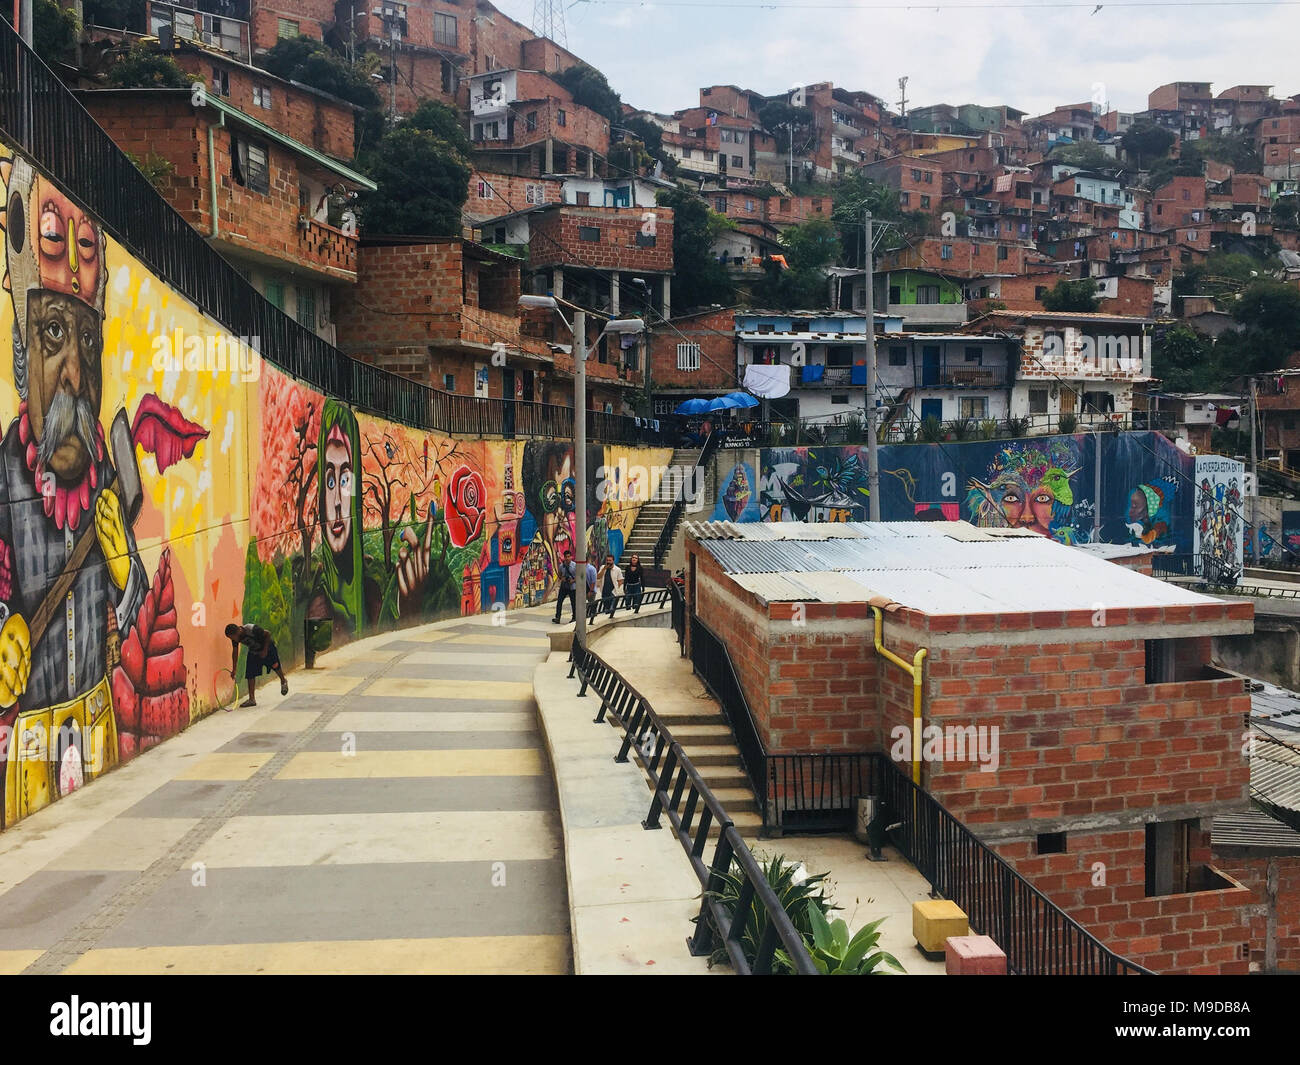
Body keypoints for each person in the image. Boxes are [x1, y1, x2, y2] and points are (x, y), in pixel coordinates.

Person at [225, 622, 288, 707]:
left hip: (268, 647)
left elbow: (267, 634)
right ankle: (252, 699)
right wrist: (234, 669)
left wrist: (265, 650)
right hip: (254, 650)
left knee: (275, 666)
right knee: (250, 673)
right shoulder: (235, 638)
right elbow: (235, 652)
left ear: (238, 631)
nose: (233, 640)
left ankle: (283, 681)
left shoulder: (251, 629)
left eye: (232, 637)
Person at [552, 549, 577, 624]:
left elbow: (578, 575)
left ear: (571, 557)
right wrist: (562, 578)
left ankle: (574, 617)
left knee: (573, 603)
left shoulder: (575, 565)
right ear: (564, 557)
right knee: (559, 602)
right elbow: (559, 574)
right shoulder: (561, 566)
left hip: (572, 587)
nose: (567, 558)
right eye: (566, 557)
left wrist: (573, 580)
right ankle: (558, 617)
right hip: (564, 586)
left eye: (569, 557)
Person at [597, 554, 623, 618]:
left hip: (612, 592)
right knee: (606, 608)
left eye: (610, 560)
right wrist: (603, 569)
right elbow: (598, 577)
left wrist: (617, 589)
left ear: (613, 561)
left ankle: (611, 618)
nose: (608, 562)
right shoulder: (602, 567)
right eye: (607, 560)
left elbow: (620, 580)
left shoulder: (617, 569)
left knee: (612, 609)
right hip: (604, 592)